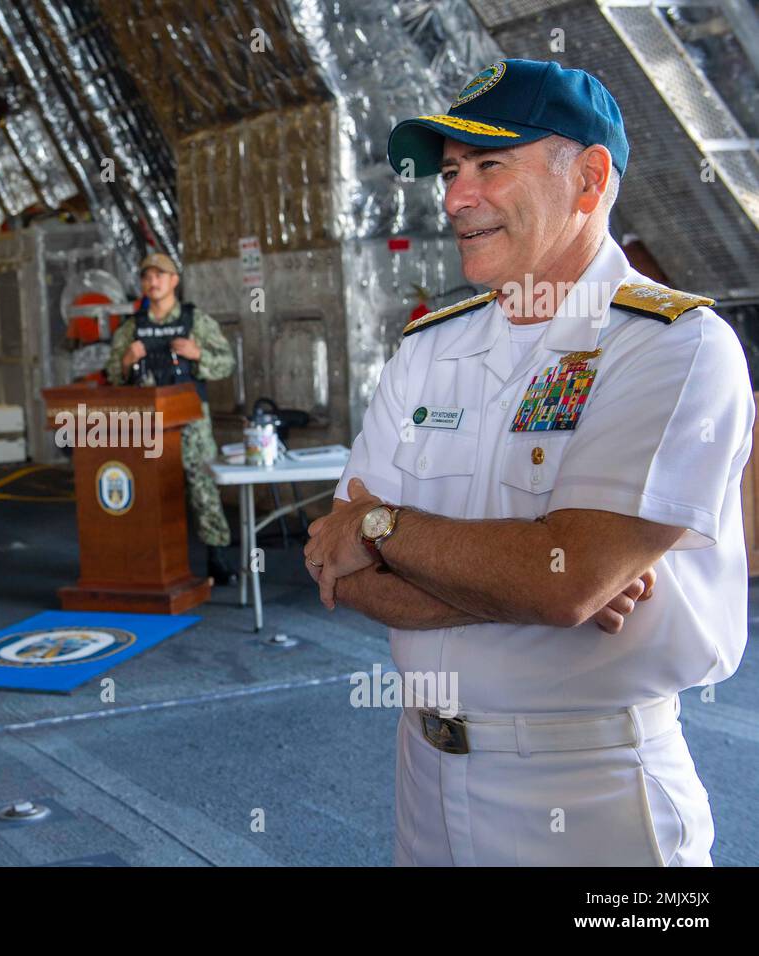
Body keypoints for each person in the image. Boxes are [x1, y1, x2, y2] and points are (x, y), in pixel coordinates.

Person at [305, 59, 753, 865]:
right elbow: (341, 569)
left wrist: (380, 527)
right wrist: (532, 580)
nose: (454, 198)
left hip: (593, 793)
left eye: (489, 166)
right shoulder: (426, 350)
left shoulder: (673, 347)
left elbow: (562, 581)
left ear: (588, 179)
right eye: (449, 171)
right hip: (423, 785)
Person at [108, 253, 238, 584]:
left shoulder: (196, 322)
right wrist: (127, 360)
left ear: (174, 280)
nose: (153, 282)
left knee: (202, 486)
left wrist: (198, 355)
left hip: (191, 416)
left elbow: (227, 363)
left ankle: (217, 556)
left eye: (159, 276)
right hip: (148, 422)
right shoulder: (132, 328)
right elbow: (114, 377)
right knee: (150, 489)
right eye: (147, 277)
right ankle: (152, 557)